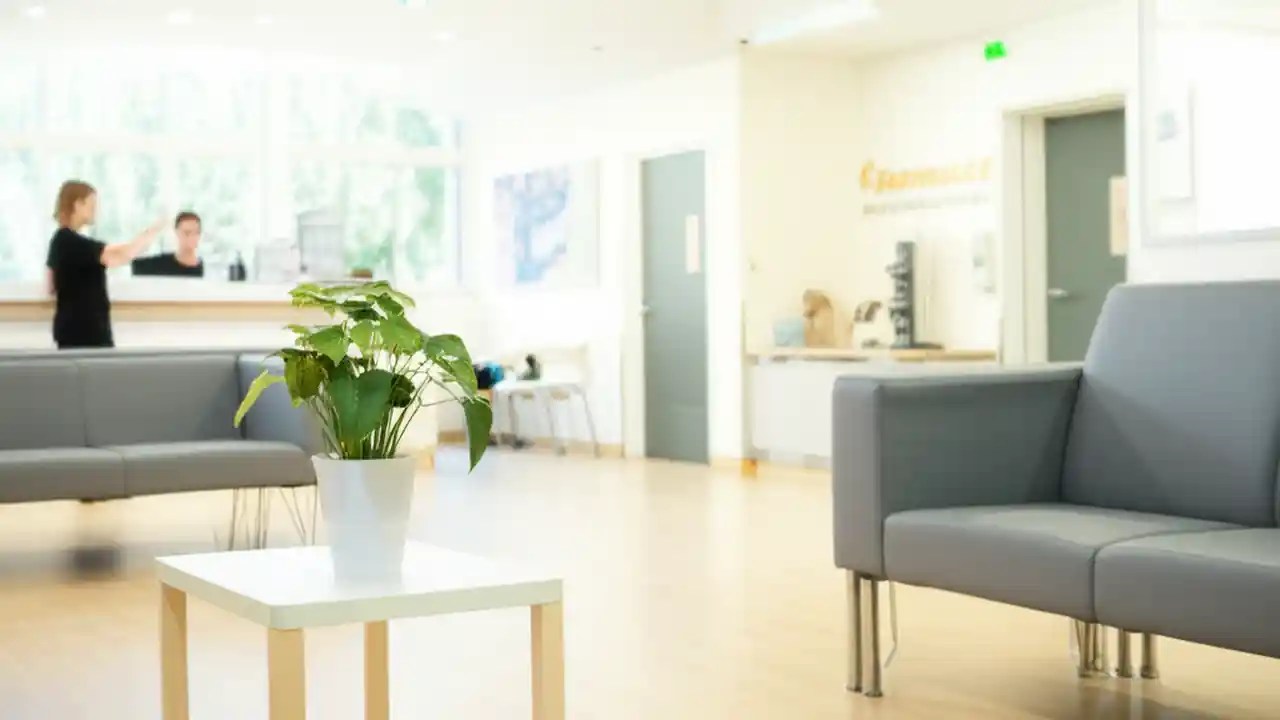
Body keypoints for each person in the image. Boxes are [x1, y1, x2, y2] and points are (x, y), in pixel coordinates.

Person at [45, 180, 164, 349]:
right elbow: (121, 255)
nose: (96, 210)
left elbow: (50, 285)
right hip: (84, 333)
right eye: (92, 205)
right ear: (78, 204)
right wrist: (153, 231)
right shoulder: (70, 241)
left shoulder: (59, 241)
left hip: (75, 330)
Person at [132, 211, 205, 277]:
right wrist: (154, 229)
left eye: (197, 233)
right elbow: (132, 258)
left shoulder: (206, 269)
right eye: (187, 233)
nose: (192, 237)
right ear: (177, 233)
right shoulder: (160, 264)